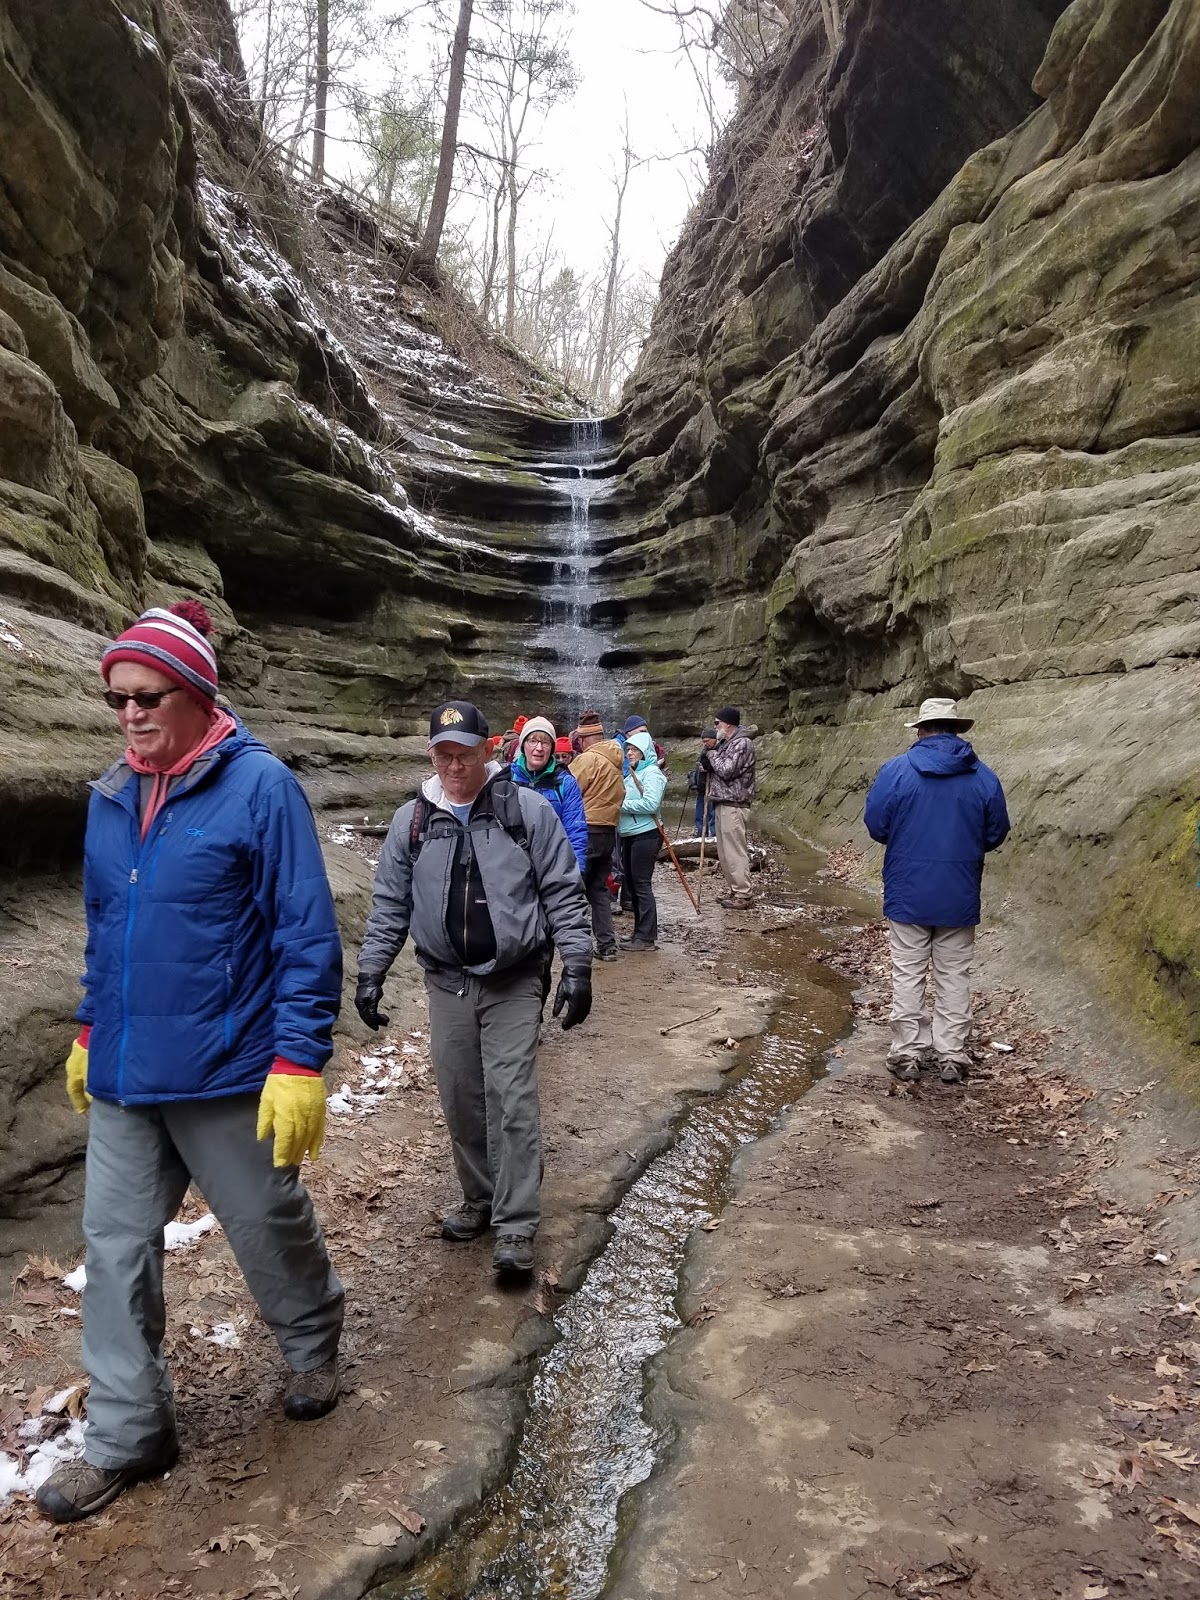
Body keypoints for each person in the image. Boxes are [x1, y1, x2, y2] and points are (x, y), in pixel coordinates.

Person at [37, 602, 344, 1526]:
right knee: (116, 1251)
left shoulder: (260, 790)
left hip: (227, 1066)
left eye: (147, 696)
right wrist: (93, 1028)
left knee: (264, 1219)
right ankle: (130, 1435)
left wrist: (299, 1059)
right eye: (117, 701)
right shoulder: (108, 800)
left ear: (197, 693)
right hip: (132, 1072)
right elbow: (105, 933)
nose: (130, 715)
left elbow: (305, 933)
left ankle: (312, 1341)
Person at [355, 702, 592, 1275]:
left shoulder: (526, 811)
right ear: (432, 755)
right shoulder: (411, 821)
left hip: (514, 979)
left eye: (464, 753)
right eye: (443, 755)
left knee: (511, 1096)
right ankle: (480, 1197)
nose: (454, 766)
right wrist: (371, 970)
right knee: (462, 1098)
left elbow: (561, 889)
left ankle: (515, 1226)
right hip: (447, 983)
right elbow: (391, 902)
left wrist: (578, 966)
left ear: (489, 751)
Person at [864, 697, 1010, 1086]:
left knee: (908, 973)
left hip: (908, 889)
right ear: (957, 730)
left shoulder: (896, 771)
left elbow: (877, 825)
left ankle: (908, 1054)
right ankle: (951, 1055)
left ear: (920, 730)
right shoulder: (984, 777)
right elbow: (995, 832)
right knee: (953, 975)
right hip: (959, 891)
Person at [569, 711, 626, 961]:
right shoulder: (616, 761)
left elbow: (569, 792)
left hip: (585, 831)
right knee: (599, 890)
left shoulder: (587, 760)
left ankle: (576, 946)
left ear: (583, 739)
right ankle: (607, 945)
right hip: (608, 832)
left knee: (572, 889)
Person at [510, 717, 588, 871]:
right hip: (513, 867)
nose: (539, 748)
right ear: (523, 745)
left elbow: (575, 830)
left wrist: (576, 872)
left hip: (552, 866)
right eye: (532, 741)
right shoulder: (506, 778)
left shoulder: (565, 782)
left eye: (545, 742)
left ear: (552, 748)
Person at [701, 705, 757, 908]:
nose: (715, 727)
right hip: (722, 801)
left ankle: (744, 894)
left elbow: (726, 770)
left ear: (728, 724)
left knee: (735, 850)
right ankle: (735, 890)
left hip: (734, 804)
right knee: (724, 852)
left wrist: (711, 754)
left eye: (717, 723)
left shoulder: (743, 743)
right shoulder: (726, 743)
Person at [618, 730, 668, 951]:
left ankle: (646, 937)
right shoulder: (632, 774)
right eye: (628, 749)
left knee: (641, 885)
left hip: (646, 834)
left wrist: (619, 807)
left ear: (645, 752)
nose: (630, 752)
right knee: (634, 884)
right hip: (631, 834)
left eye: (634, 749)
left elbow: (651, 805)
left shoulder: (652, 774)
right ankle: (639, 933)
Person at [687, 727, 718, 839]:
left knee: (712, 814)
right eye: (704, 741)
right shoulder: (705, 751)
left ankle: (713, 836)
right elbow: (697, 767)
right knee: (699, 814)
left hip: (712, 789)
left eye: (707, 741)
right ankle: (701, 835)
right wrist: (693, 779)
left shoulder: (718, 751)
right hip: (702, 789)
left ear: (714, 739)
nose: (705, 744)